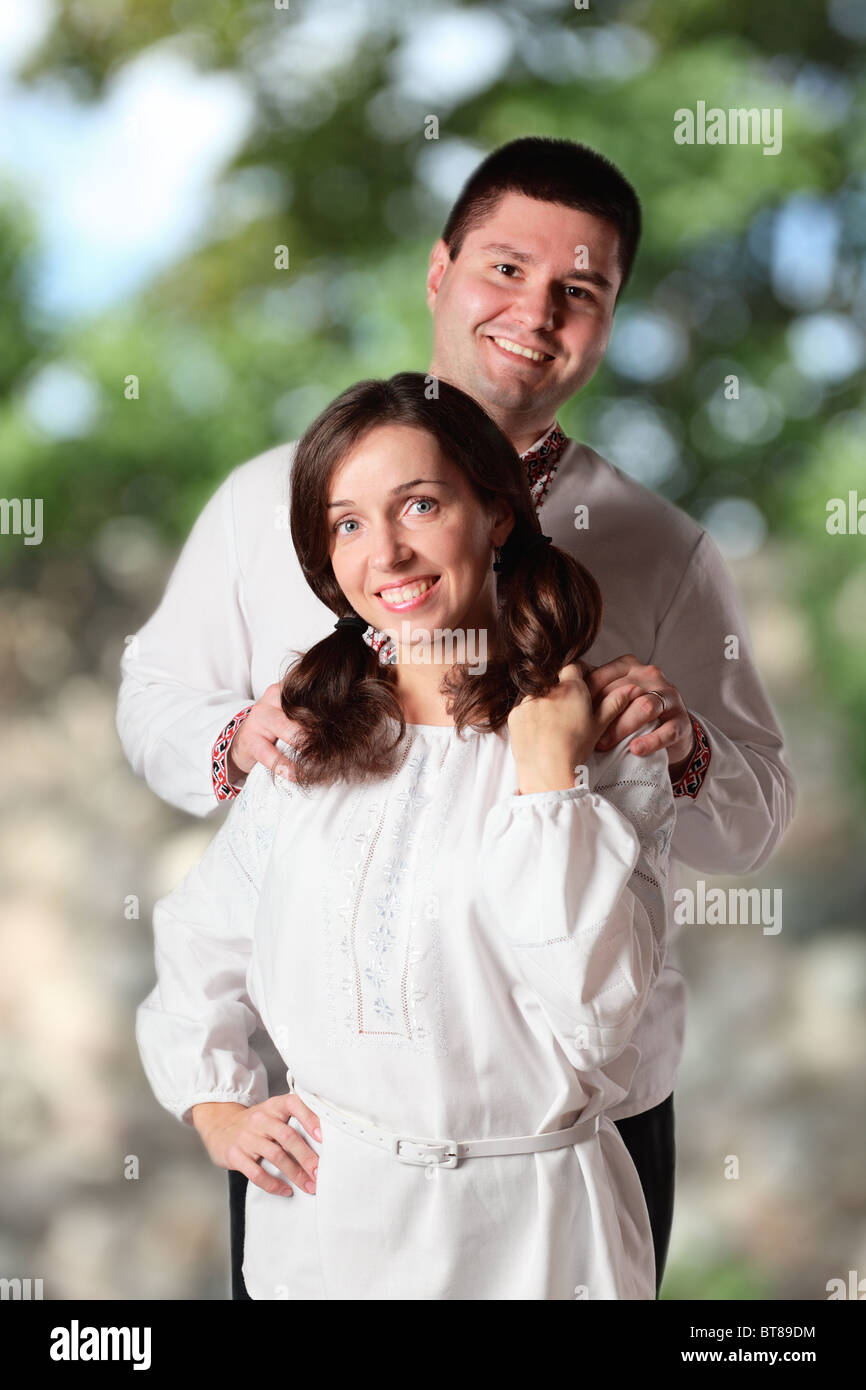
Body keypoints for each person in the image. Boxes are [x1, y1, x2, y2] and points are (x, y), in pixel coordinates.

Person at [118, 137, 795, 1297]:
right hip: (325, 1120)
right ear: (438, 273)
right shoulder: (273, 496)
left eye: (577, 290)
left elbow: (745, 825)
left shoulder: (665, 552)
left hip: (575, 1121)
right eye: (503, 268)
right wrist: (248, 739)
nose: (535, 312)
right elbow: (160, 715)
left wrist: (666, 754)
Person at [136, 373, 676, 1301]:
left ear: (498, 514)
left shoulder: (602, 741)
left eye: (418, 504)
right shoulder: (313, 743)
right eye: (346, 523)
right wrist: (219, 1105)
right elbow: (202, 937)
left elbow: (596, 1024)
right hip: (325, 1234)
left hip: (535, 1243)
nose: (383, 552)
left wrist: (549, 782)